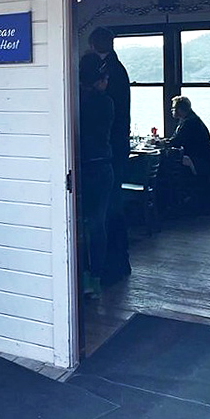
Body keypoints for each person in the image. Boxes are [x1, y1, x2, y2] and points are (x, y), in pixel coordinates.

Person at [88, 26, 131, 283]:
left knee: (108, 208)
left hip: (108, 148)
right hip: (116, 145)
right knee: (112, 205)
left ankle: (112, 262)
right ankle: (117, 260)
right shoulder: (118, 68)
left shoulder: (108, 73)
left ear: (94, 44)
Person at [78, 52, 115, 300]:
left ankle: (81, 277)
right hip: (103, 167)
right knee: (98, 224)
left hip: (83, 167)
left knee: (80, 225)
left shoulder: (76, 100)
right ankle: (96, 278)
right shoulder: (106, 102)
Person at [168, 95, 210, 208]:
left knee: (171, 165)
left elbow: (176, 141)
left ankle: (173, 199)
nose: (172, 111)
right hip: (203, 157)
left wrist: (160, 143)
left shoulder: (189, 123)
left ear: (180, 110)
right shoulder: (190, 119)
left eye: (173, 108)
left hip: (198, 159)